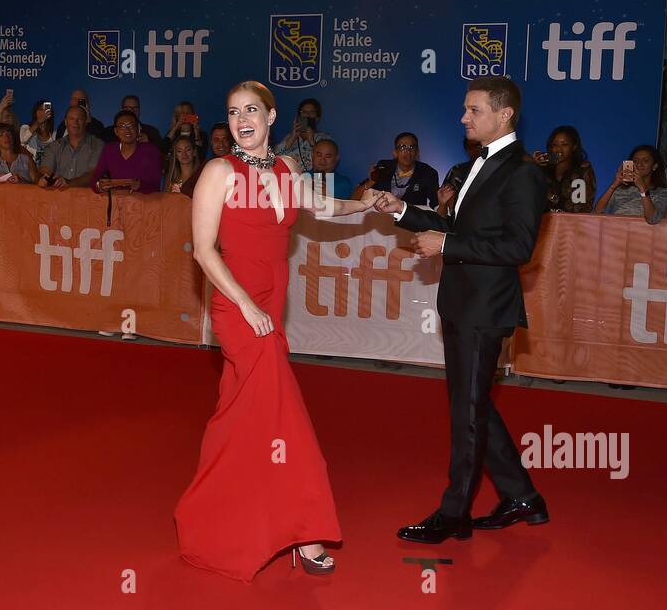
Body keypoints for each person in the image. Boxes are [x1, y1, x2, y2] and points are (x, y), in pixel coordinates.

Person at [175, 80, 374, 581]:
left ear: (270, 117)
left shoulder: (287, 168)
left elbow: (320, 206)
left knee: (241, 416)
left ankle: (214, 512)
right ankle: (304, 530)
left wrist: (363, 203)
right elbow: (203, 250)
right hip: (238, 309)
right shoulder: (218, 172)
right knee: (284, 412)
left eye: (250, 111)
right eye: (232, 112)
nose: (241, 120)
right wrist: (244, 304)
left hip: (272, 307)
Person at [371, 76, 548, 544]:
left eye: (473, 110)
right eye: (465, 109)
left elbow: (518, 246)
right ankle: (522, 495)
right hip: (461, 302)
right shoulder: (477, 164)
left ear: (504, 113)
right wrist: (400, 209)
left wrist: (447, 243)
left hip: (485, 307)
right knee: (473, 405)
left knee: (468, 412)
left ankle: (454, 515)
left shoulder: (523, 172)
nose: (463, 118)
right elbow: (450, 223)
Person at [354, 132, 439, 208]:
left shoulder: (428, 173)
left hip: (412, 222)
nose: (408, 151)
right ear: (395, 153)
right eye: (403, 147)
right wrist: (371, 181)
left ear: (417, 152)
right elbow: (354, 199)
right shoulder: (384, 167)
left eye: (412, 147)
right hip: (382, 220)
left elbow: (437, 207)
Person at [91, 110, 163, 194]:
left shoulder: (151, 151)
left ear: (138, 129)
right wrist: (100, 186)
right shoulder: (109, 150)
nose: (127, 130)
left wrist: (140, 185)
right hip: (115, 203)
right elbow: (95, 181)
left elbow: (155, 186)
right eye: (122, 126)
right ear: (116, 131)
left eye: (131, 126)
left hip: (142, 203)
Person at [593, 145, 667, 222]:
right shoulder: (620, 189)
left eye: (645, 160)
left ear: (655, 166)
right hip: (616, 231)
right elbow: (597, 212)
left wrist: (642, 188)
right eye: (636, 161)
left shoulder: (661, 192)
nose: (639, 164)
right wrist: (613, 186)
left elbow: (653, 218)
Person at [37, 106, 104, 189]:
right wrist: (44, 178)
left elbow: (93, 174)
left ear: (86, 122)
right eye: (71, 119)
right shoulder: (54, 146)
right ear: (65, 122)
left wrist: (69, 182)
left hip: (87, 199)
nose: (75, 122)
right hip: (58, 198)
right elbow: (45, 170)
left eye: (79, 119)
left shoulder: (97, 145)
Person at [533, 126, 596, 212]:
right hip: (542, 223)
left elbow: (580, 208)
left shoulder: (581, 170)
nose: (558, 149)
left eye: (564, 144)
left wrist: (550, 196)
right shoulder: (543, 169)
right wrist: (532, 167)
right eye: (555, 145)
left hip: (571, 223)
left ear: (574, 146)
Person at [274, 98, 331, 172]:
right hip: (287, 177)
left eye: (311, 112)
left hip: (314, 178)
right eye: (304, 112)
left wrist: (311, 141)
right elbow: (275, 158)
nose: (307, 114)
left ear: (317, 118)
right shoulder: (290, 137)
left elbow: (325, 164)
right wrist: (293, 137)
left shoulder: (324, 139)